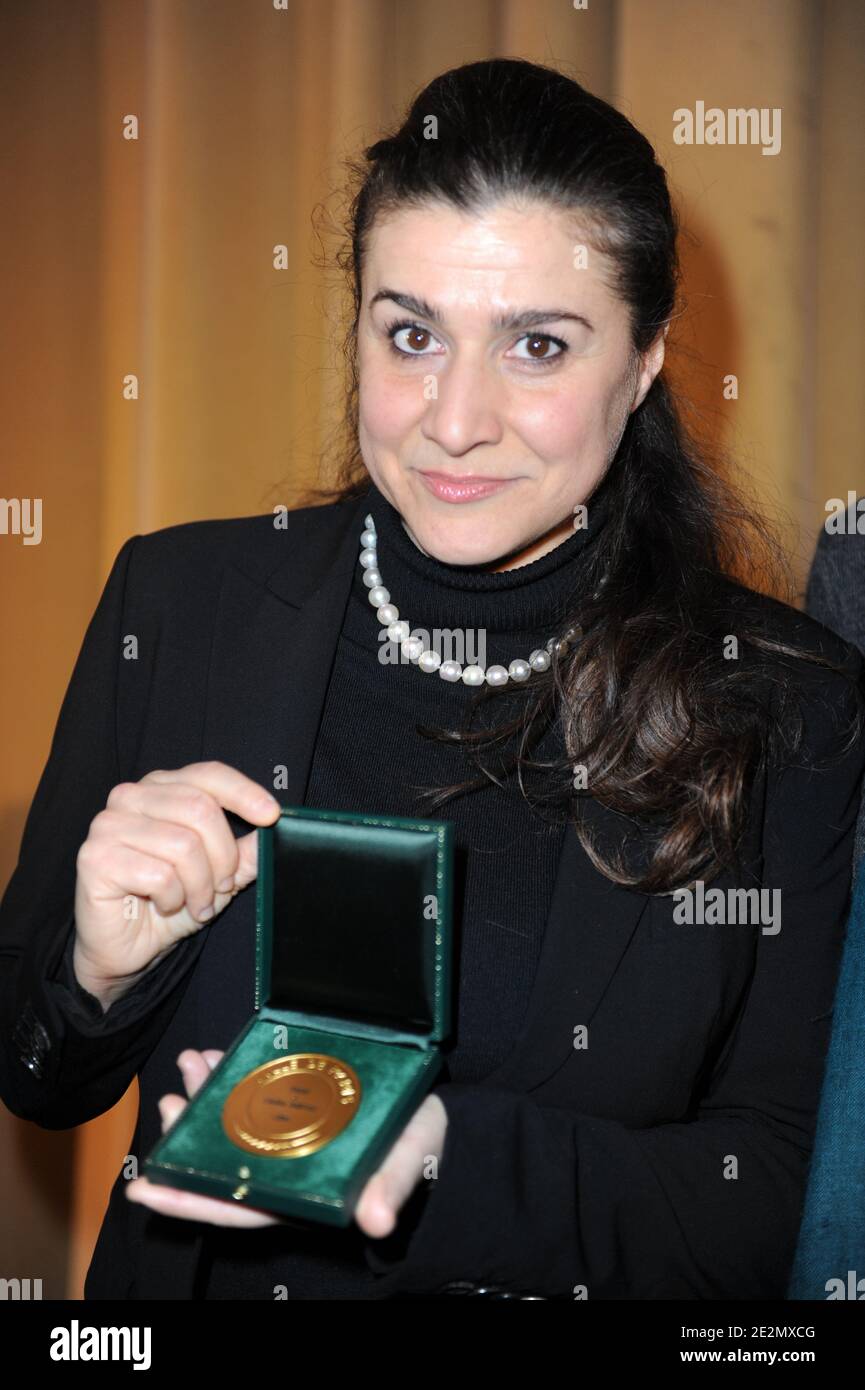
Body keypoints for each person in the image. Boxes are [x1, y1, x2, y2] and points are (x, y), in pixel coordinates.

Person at [1, 57, 863, 1301]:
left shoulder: (789, 706)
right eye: (411, 334)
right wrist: (95, 969)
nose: (453, 419)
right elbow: (39, 1078)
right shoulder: (178, 605)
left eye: (536, 346)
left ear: (644, 360)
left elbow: (760, 1204)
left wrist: (437, 1154)